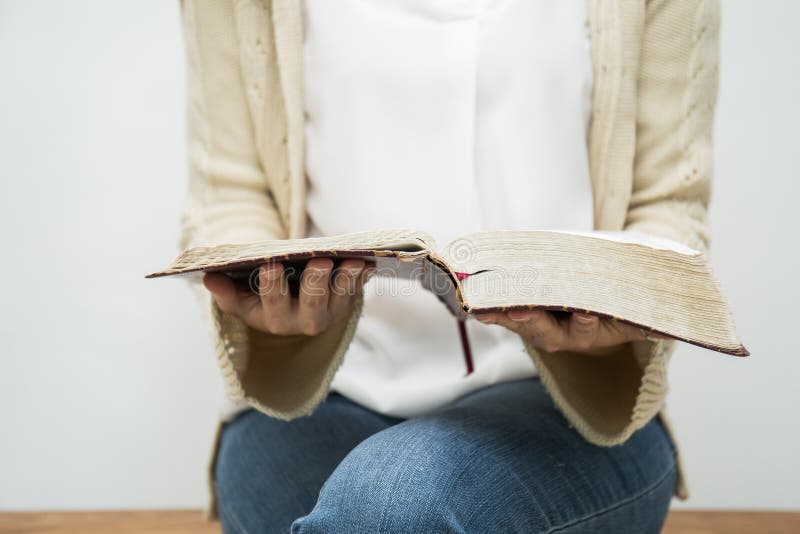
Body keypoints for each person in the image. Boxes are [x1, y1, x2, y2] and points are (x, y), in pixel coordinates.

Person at [178, 0, 719, 532]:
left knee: (393, 504)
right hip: (321, 400)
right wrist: (271, 303)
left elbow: (667, 202)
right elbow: (232, 191)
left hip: (568, 408)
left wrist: (618, 309)